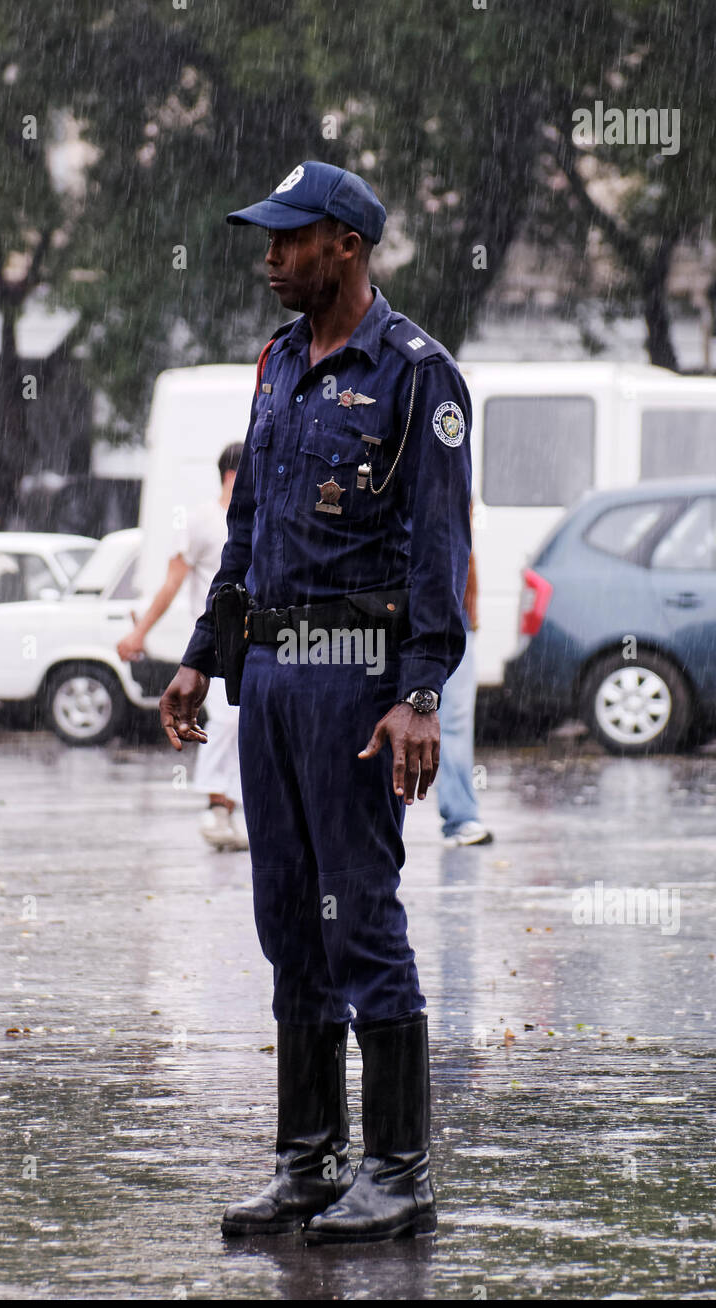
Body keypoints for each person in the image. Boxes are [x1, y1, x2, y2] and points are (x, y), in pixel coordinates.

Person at [159, 161, 472, 1244]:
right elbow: (245, 529)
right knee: (289, 923)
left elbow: (436, 546)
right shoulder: (279, 364)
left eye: (288, 240)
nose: (269, 257)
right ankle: (308, 1162)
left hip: (356, 680)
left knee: (360, 921)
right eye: (266, 239)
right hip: (272, 680)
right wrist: (202, 651)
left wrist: (419, 690)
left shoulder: (413, 373)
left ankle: (398, 1170)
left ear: (343, 242)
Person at [118, 443, 248, 850]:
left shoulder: (257, 519)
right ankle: (214, 807)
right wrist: (140, 634)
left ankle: (228, 810)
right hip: (213, 650)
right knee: (227, 723)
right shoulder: (202, 521)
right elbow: (173, 583)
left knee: (248, 726)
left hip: (256, 643)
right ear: (233, 475)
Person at [436, 543, 493, 846]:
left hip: (456, 619)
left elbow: (465, 548)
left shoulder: (459, 495)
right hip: (404, 613)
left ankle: (461, 817)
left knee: (455, 721)